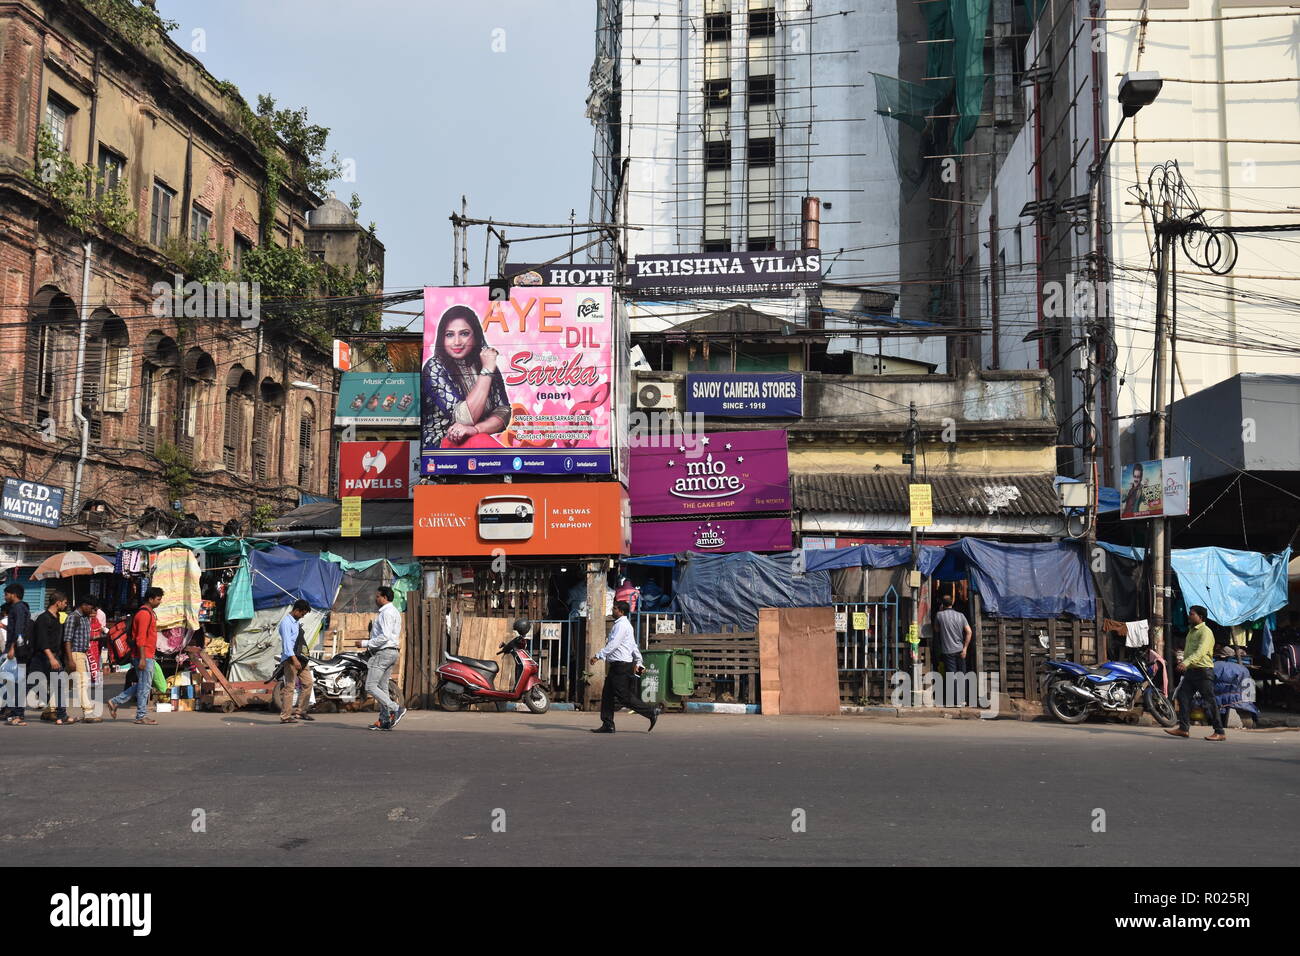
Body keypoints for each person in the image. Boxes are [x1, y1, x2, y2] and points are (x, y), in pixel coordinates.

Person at [421, 304, 512, 450]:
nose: (457, 342)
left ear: (476, 336)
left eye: (464, 333)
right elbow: (463, 419)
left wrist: (476, 429)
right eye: (449, 334)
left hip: (477, 440)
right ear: (442, 338)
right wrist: (487, 371)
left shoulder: (484, 362)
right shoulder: (435, 367)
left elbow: (503, 411)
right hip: (441, 445)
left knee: (486, 445)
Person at [590, 600, 658, 734]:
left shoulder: (621, 626)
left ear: (620, 611)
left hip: (621, 666)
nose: (612, 610)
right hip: (618, 666)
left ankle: (651, 712)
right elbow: (633, 646)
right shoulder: (626, 625)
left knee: (624, 697)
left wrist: (598, 656)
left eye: (614, 609)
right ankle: (608, 724)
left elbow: (613, 644)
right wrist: (639, 661)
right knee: (607, 694)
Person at [1166, 604, 1226, 741]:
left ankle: (1220, 731)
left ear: (1201, 617)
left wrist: (1186, 662)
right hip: (1192, 671)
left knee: (1210, 701)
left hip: (1203, 672)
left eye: (1192, 614)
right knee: (1183, 696)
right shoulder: (1191, 631)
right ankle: (1183, 728)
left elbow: (1201, 651)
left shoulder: (1206, 632)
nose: (1189, 616)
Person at [107, 587, 163, 725]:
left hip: (145, 654)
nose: (160, 602)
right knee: (145, 686)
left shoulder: (148, 612)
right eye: (158, 599)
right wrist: (143, 658)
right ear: (150, 599)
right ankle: (141, 715)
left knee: (144, 685)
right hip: (143, 655)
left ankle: (115, 702)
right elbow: (140, 638)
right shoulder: (144, 614)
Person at [362, 587, 405, 730]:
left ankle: (396, 708)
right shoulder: (394, 612)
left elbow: (385, 636)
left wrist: (365, 643)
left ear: (385, 597)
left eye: (378, 596)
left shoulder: (386, 613)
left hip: (384, 653)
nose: (376, 599)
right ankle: (385, 720)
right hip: (391, 653)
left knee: (370, 686)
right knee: (382, 687)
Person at [31, 591, 71, 724]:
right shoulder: (43, 618)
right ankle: (15, 714)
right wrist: (52, 658)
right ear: (58, 602)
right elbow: (42, 641)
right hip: (43, 658)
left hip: (54, 657)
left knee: (60, 685)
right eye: (65, 603)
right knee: (29, 684)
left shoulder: (57, 618)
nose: (66, 605)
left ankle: (61, 716)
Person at [64, 597, 101, 722]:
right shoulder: (73, 617)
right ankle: (88, 712)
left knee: (65, 685)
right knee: (82, 682)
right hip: (74, 654)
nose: (93, 610)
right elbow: (67, 640)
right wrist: (70, 659)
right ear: (84, 605)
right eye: (91, 607)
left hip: (82, 654)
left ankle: (50, 709)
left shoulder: (85, 618)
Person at [278, 600, 315, 724]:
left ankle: (300, 712)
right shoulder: (286, 623)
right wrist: (294, 659)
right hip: (290, 659)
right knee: (290, 686)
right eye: (302, 614)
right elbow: (287, 644)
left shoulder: (296, 623)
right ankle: (285, 716)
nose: (303, 616)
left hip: (301, 659)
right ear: (297, 610)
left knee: (308, 682)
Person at [933, 594, 973, 706]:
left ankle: (956, 702)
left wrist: (940, 611)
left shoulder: (939, 615)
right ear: (952, 603)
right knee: (962, 675)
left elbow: (936, 629)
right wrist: (965, 648)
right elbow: (969, 632)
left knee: (952, 677)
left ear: (942, 604)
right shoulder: (961, 616)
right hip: (960, 650)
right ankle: (963, 700)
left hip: (948, 651)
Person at [2, 583, 32, 725]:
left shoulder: (18, 608)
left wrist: (12, 648)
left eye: (6, 594)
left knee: (16, 683)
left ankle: (17, 715)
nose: (5, 597)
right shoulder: (21, 607)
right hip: (19, 650)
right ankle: (15, 714)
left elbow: (19, 630)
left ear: (13, 594)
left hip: (17, 652)